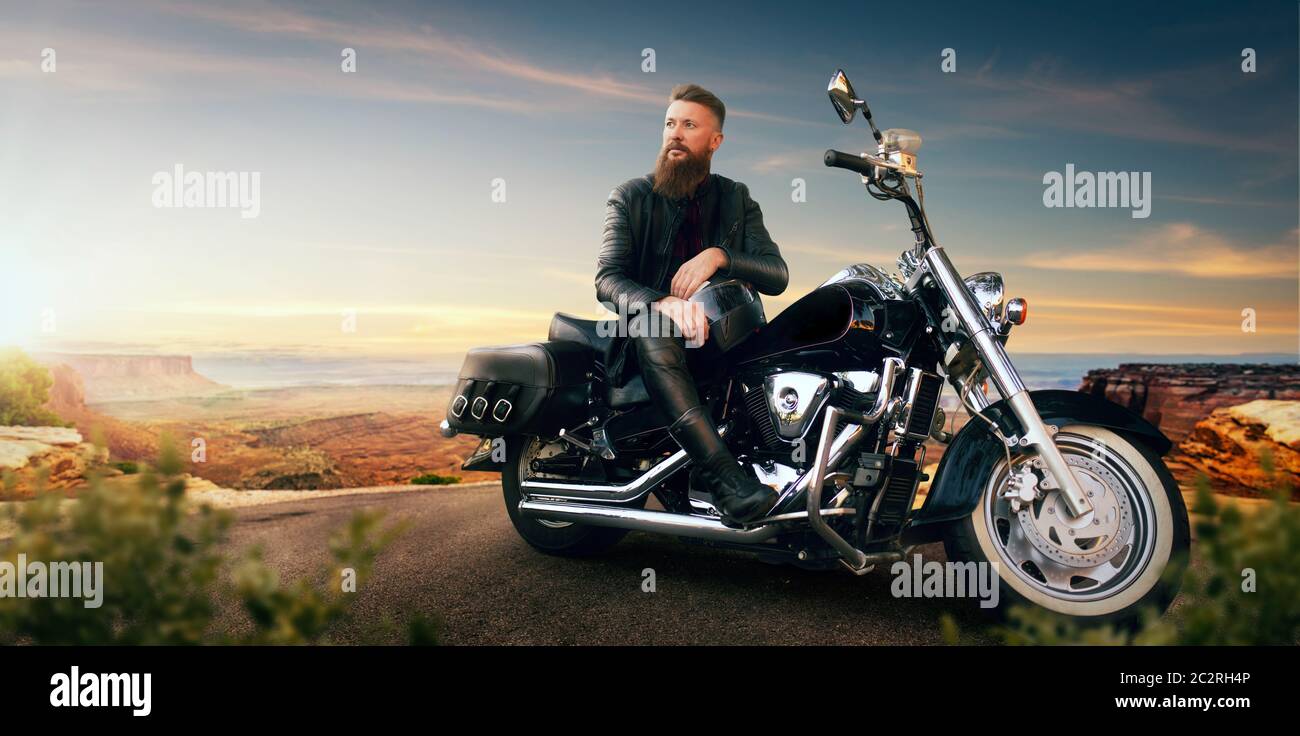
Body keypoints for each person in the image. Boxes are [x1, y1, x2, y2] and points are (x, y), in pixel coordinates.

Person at [594, 83, 789, 524]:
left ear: (714, 141)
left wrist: (719, 255)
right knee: (653, 327)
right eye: (669, 124)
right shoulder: (629, 197)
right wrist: (661, 302)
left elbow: (777, 274)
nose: (675, 134)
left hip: (724, 335)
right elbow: (607, 280)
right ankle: (725, 480)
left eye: (689, 125)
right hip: (643, 339)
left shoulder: (736, 197)